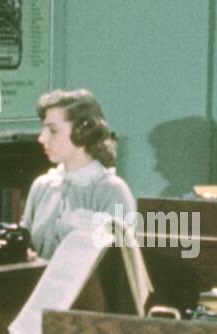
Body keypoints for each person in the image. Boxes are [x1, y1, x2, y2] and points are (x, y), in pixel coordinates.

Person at [21, 89, 136, 259]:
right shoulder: (42, 186)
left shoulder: (112, 190)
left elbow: (118, 264)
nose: (42, 138)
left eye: (53, 130)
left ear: (83, 130)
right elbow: (25, 243)